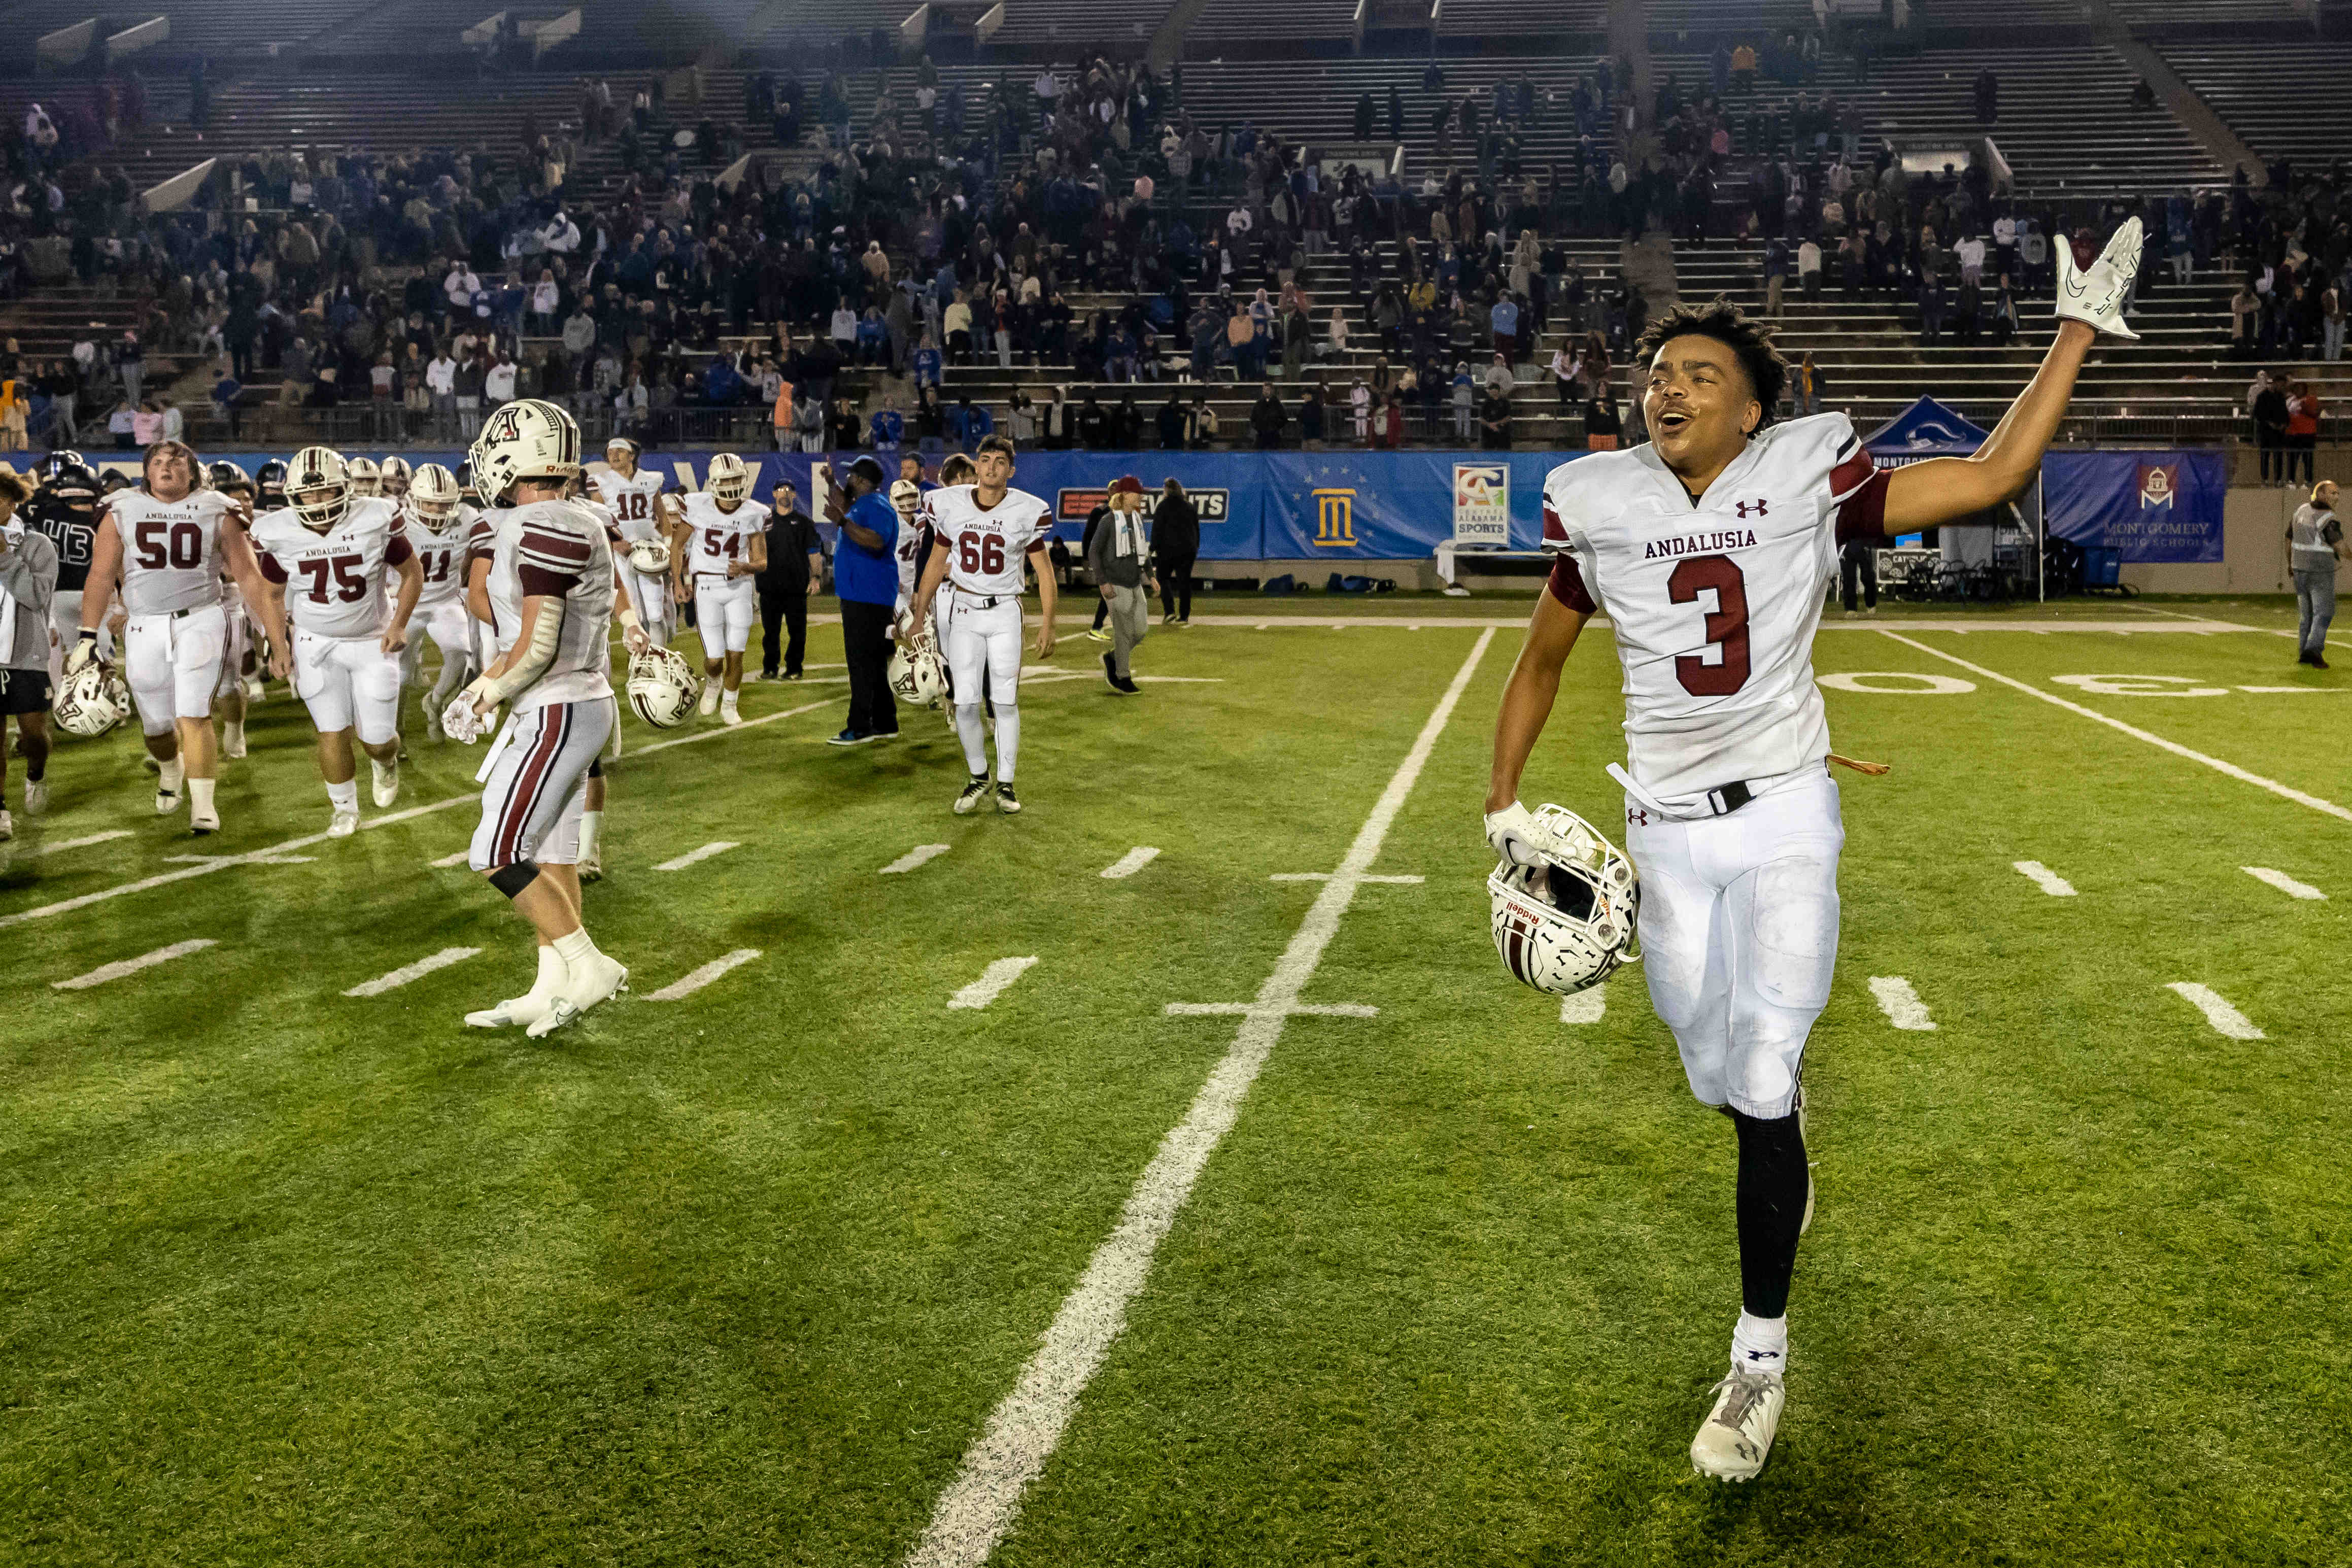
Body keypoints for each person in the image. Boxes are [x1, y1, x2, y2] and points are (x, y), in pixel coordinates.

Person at [1484, 221, 2145, 1483]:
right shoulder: (1606, 506)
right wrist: (1500, 803)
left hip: (1785, 812)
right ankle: (1771, 1123)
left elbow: (1997, 471)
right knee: (1712, 1065)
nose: (1666, 386)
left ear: (1751, 413)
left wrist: (2074, 330)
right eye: (1658, 372)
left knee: (1767, 1073)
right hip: (1661, 829)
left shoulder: (1805, 479)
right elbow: (1540, 661)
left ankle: (1758, 1359)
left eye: (1698, 375)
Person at [445, 397, 640, 1039]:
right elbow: (525, 639)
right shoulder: (562, 516)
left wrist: (484, 693)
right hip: (558, 702)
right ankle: (550, 983)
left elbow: (537, 644)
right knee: (550, 854)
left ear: (509, 458)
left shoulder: (548, 523)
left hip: (559, 704)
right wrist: (491, 685)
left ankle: (590, 966)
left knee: (496, 851)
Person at [68, 440, 272, 834]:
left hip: (202, 618)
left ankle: (204, 806)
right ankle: (169, 767)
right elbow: (100, 574)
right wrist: (86, 636)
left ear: (193, 473)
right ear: (146, 471)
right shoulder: (120, 508)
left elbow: (248, 575)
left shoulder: (218, 507)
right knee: (158, 726)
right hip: (144, 623)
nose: (166, 468)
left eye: (176, 463)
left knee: (194, 713)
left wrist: (272, 635)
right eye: (157, 462)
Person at [248, 447, 423, 834]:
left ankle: (385, 762)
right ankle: (344, 809)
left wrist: (398, 625)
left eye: (326, 492)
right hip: (316, 643)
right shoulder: (278, 532)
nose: (317, 501)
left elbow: (412, 573)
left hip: (372, 641)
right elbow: (271, 595)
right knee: (331, 730)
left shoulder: (374, 519)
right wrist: (279, 648)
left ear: (345, 489)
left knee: (377, 740)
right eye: (309, 494)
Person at [907, 434, 1058, 813]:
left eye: (999, 462)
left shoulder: (1026, 509)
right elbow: (933, 566)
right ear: (977, 465)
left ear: (1011, 470)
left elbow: (1044, 573)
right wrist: (918, 615)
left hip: (1005, 609)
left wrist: (1049, 624)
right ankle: (978, 777)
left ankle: (1006, 784)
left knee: (1004, 701)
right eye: (985, 460)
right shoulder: (951, 504)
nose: (991, 468)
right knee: (965, 702)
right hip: (964, 610)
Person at [668, 453, 767, 727]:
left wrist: (746, 568)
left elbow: (763, 561)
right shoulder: (697, 507)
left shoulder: (754, 512)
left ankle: (731, 703)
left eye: (736, 478)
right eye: (727, 479)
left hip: (740, 588)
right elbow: (677, 547)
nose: (733, 484)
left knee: (737, 652)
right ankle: (713, 681)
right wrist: (678, 582)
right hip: (707, 587)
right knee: (714, 659)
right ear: (713, 483)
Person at [822, 454, 900, 745]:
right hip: (866, 594)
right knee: (875, 662)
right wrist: (831, 483)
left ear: (864, 482)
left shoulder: (877, 506)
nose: (848, 480)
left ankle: (860, 725)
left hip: (867, 596)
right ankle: (884, 721)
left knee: (861, 662)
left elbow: (876, 540)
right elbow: (844, 506)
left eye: (852, 477)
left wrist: (842, 521)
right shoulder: (866, 504)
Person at [401, 463, 482, 743]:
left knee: (461, 653)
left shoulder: (468, 519)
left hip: (445, 602)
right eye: (429, 504)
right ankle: (393, 733)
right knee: (397, 674)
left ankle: (434, 702)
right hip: (405, 606)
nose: (436, 511)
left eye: (444, 505)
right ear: (413, 500)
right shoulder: (397, 522)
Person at [0, 470, 55, 838]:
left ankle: (35, 773)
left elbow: (37, 597)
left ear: (13, 501)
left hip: (24, 655)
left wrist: (5, 558)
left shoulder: (37, 545)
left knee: (33, 734)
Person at [591, 435, 677, 646]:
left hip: (649, 550)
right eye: (610, 453)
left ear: (632, 455)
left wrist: (667, 547)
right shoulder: (602, 483)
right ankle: (639, 664)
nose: (614, 456)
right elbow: (595, 522)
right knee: (635, 614)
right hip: (621, 554)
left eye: (619, 451)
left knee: (656, 614)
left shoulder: (649, 480)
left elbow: (663, 518)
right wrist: (614, 543)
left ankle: (659, 659)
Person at [1088, 476, 1155, 694]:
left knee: (1141, 630)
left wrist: (1151, 576)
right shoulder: (1108, 521)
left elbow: (1142, 551)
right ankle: (1123, 676)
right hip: (1116, 585)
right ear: (1124, 495)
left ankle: (1113, 658)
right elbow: (1094, 552)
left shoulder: (1138, 520)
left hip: (1135, 583)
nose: (1140, 496)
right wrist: (1102, 582)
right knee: (1124, 633)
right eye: (1136, 493)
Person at [757, 476, 821, 680]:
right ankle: (770, 668)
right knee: (770, 632)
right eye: (780, 489)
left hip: (795, 587)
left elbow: (814, 553)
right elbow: (755, 551)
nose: (784, 492)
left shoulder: (804, 523)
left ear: (794, 494)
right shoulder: (763, 523)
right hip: (769, 586)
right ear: (774, 494)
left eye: (788, 489)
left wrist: (816, 577)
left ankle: (794, 668)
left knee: (797, 631)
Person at [2289, 479, 2342, 668]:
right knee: (2325, 612)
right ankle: (2314, 650)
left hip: (2299, 570)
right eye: (2332, 493)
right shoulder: (2327, 517)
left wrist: (2291, 564)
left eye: (2337, 493)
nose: (2337, 497)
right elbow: (2338, 544)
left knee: (2307, 615)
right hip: (2319, 572)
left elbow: (2289, 538)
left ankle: (2304, 652)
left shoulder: (2301, 510)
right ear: (2320, 495)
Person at [1154, 478, 1200, 625]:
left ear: (1167, 490)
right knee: (1184, 581)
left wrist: (1152, 547)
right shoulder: (1190, 507)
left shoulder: (1162, 506)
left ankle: (1170, 612)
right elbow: (1196, 530)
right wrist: (1195, 546)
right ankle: (1184, 616)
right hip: (1188, 550)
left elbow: (1157, 530)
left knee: (1162, 577)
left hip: (1167, 550)